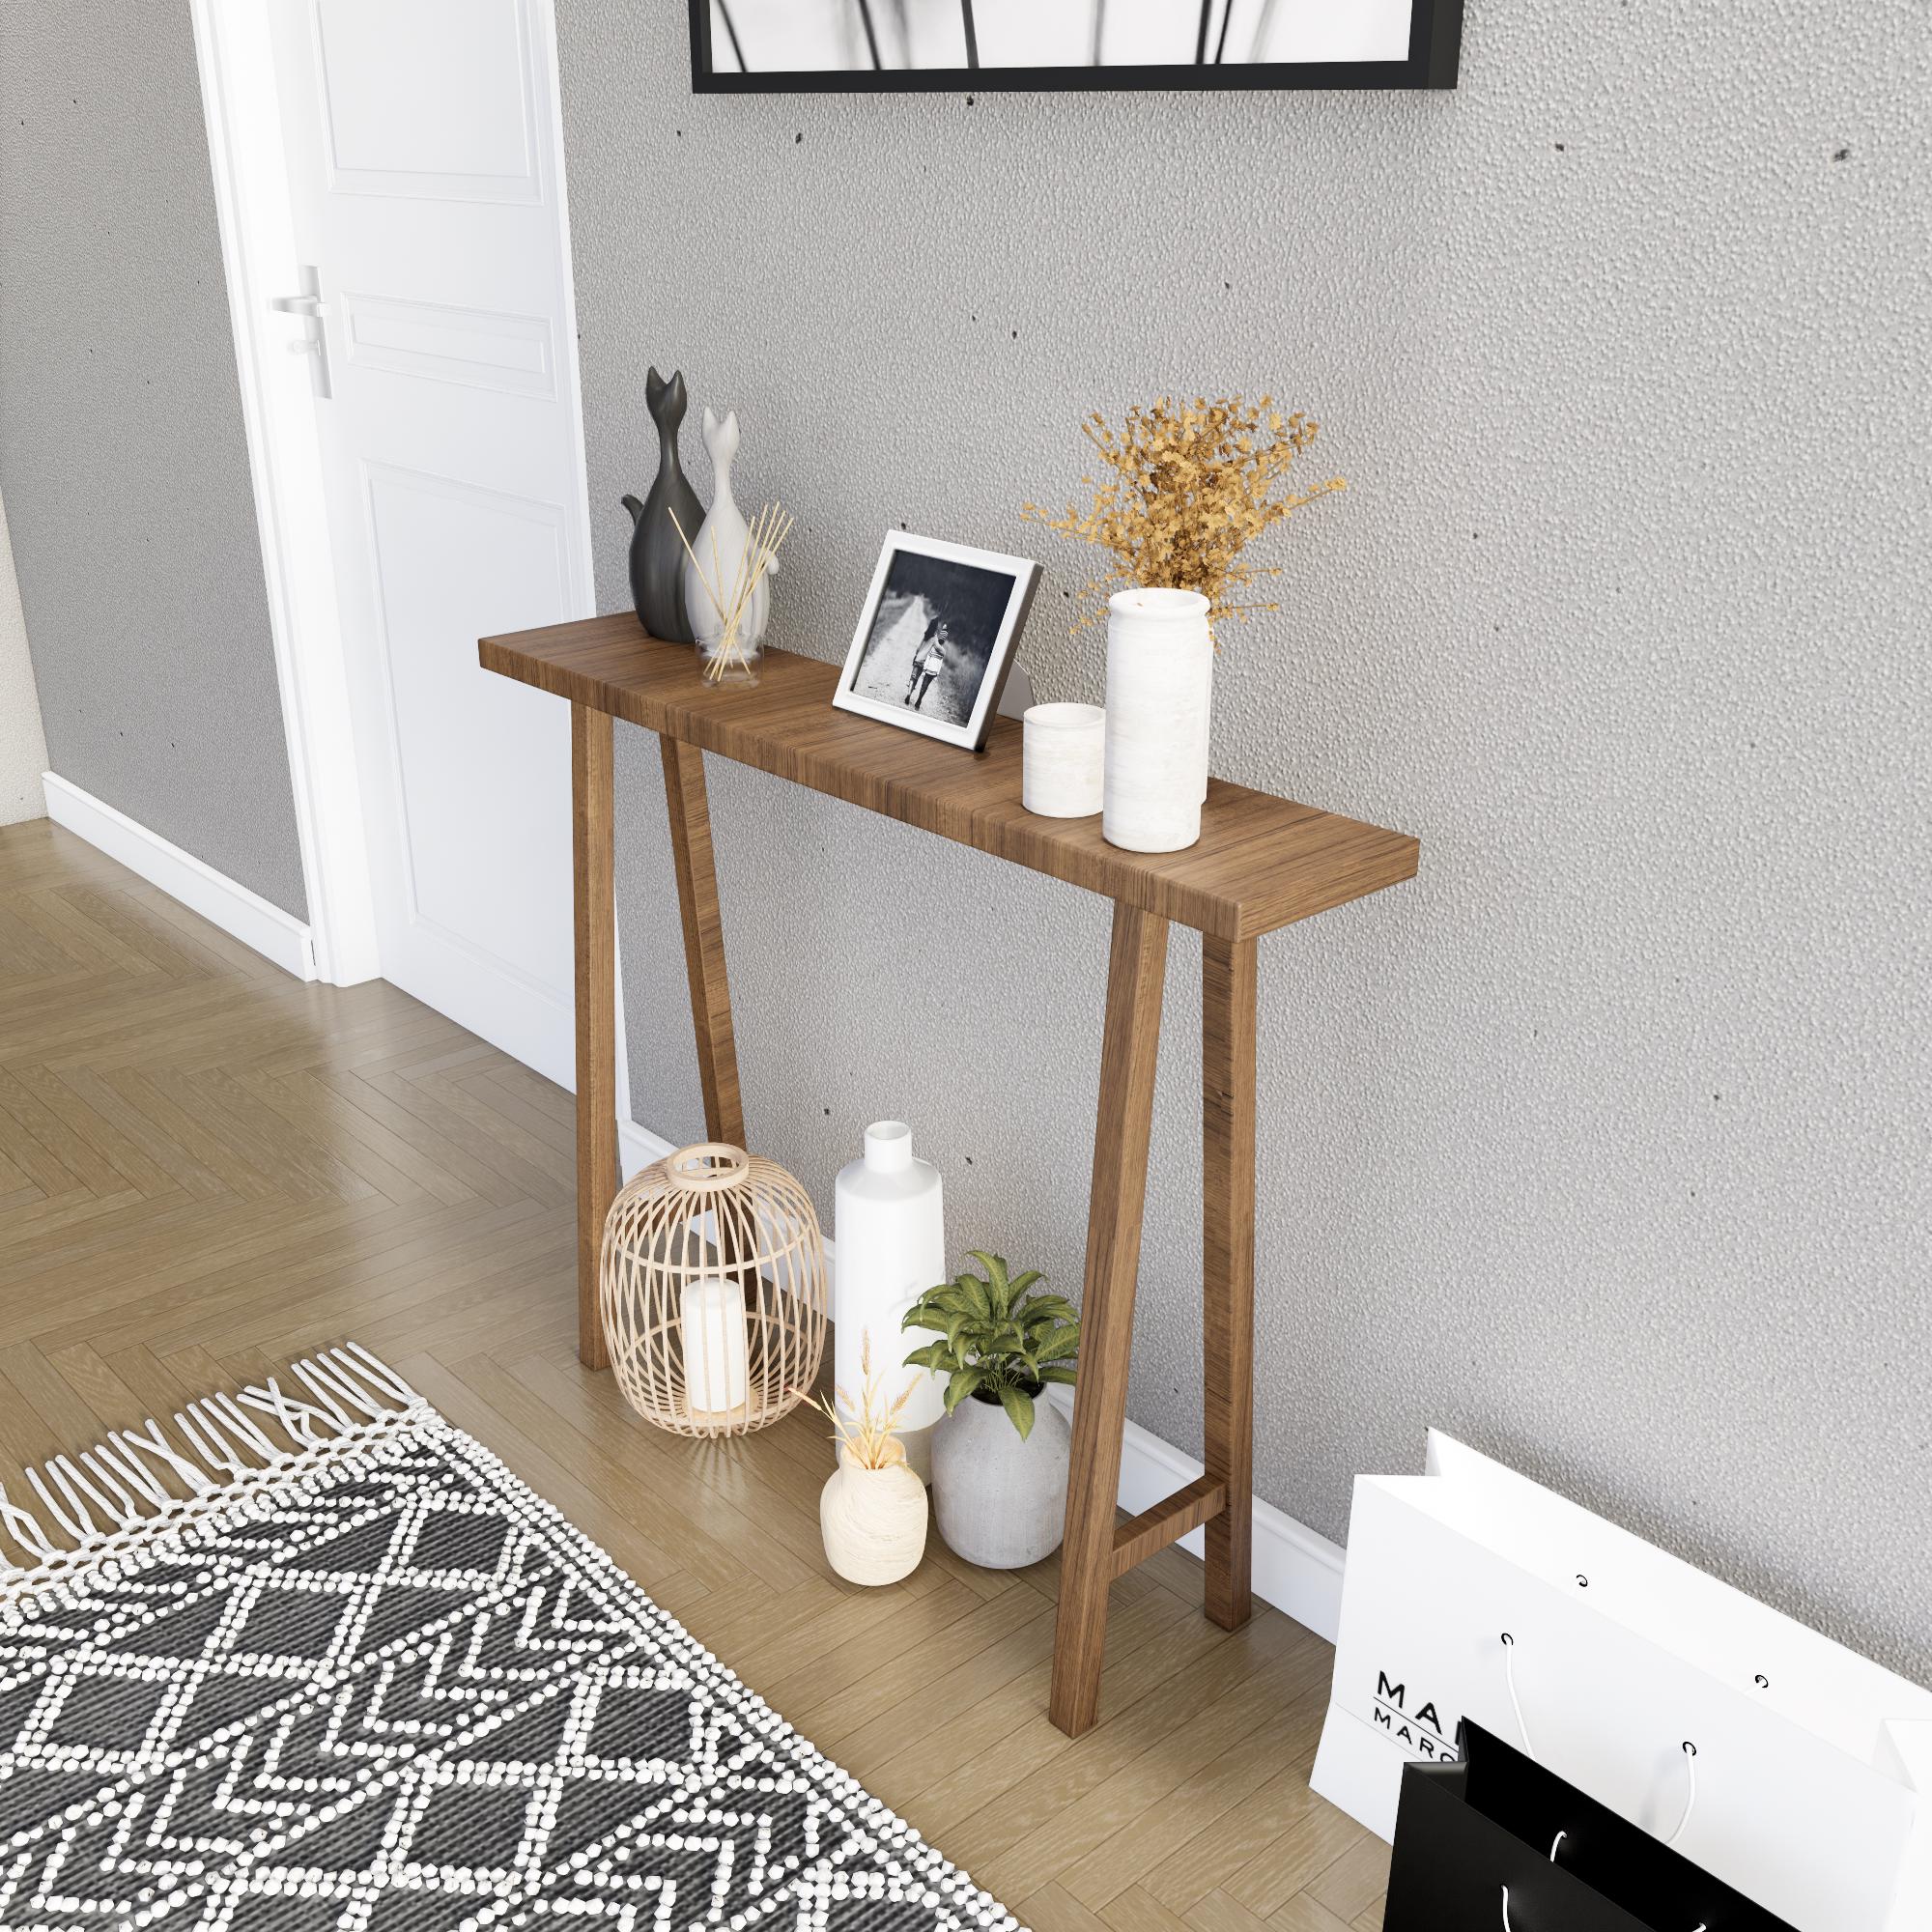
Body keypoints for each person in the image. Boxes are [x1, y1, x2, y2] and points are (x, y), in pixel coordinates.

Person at [905, 617, 948, 710]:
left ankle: (908, 693)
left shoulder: (926, 635)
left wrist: (916, 656)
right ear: (936, 628)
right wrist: (944, 652)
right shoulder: (935, 638)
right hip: (924, 662)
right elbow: (939, 649)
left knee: (913, 677)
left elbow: (918, 648)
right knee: (918, 680)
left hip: (918, 659)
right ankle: (913, 697)